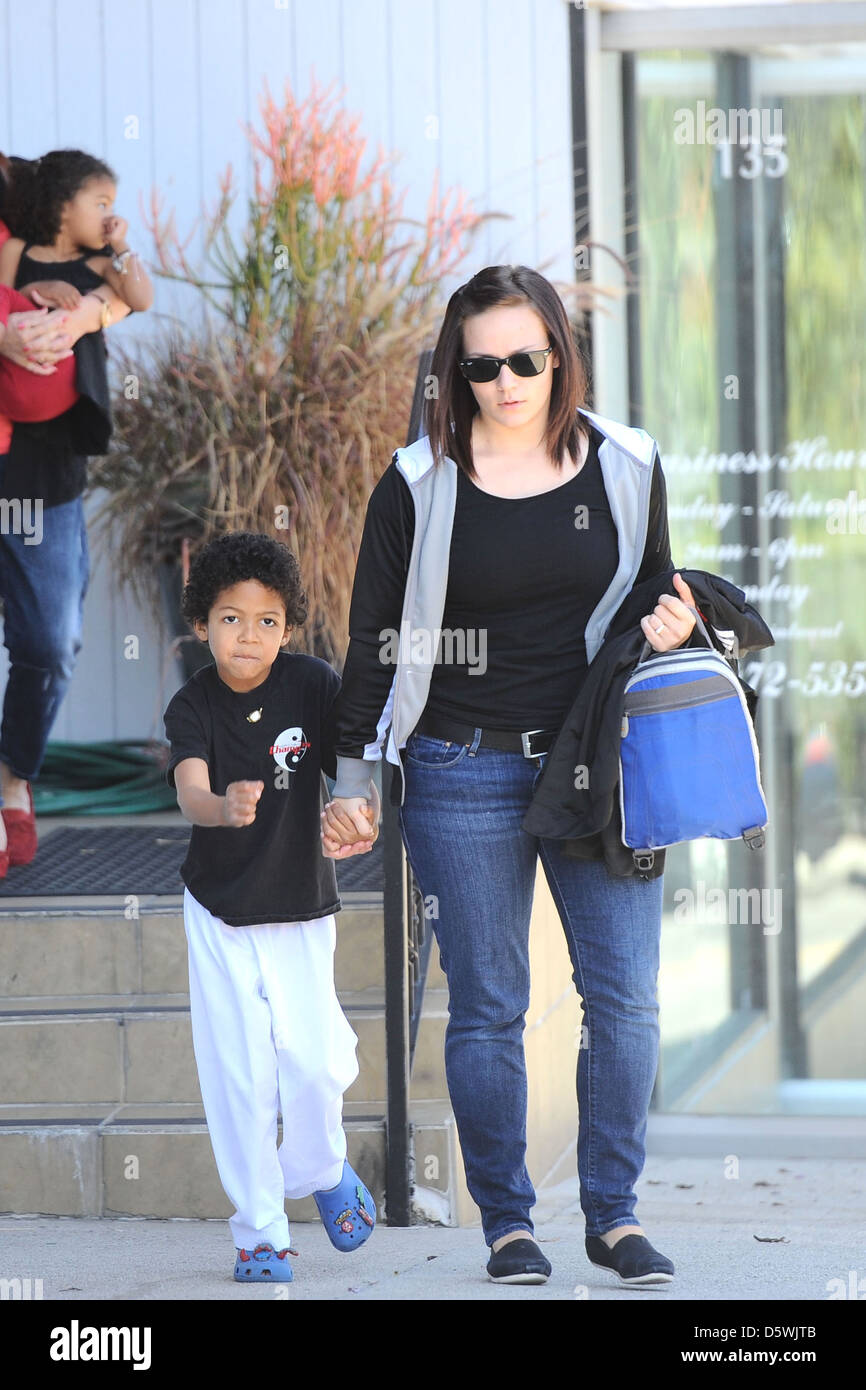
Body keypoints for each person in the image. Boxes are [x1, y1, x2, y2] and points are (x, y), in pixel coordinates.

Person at [320, 264, 699, 1287]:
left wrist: (671, 627)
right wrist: (350, 774)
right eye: (479, 365)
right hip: (456, 769)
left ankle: (613, 1215)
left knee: (623, 999)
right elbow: (372, 637)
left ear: (557, 355)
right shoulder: (417, 480)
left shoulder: (625, 462)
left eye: (523, 359)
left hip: (596, 769)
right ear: (456, 370)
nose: (504, 382)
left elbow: (647, 604)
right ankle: (506, 1224)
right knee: (488, 1004)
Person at [163, 531, 380, 1283]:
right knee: (241, 1077)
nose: (246, 634)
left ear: (287, 629)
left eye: (264, 620)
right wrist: (220, 807)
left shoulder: (314, 685)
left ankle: (320, 1165)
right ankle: (259, 1232)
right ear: (201, 625)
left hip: (299, 907)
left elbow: (352, 771)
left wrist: (357, 810)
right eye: (229, 618)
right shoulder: (192, 704)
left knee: (315, 1064)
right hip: (219, 914)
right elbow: (190, 786)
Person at [0, 149, 152, 875]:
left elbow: (132, 296)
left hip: (45, 477)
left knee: (49, 642)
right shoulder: (16, 247)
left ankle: (14, 777)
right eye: (100, 204)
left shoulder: (85, 258)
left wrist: (92, 304)